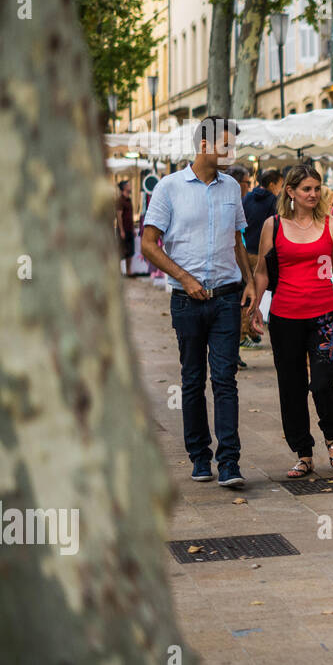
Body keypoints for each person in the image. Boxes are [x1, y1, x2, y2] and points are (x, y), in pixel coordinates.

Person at [141, 116, 256, 489]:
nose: (231, 152)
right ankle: (199, 457)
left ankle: (229, 462)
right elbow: (148, 243)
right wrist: (185, 279)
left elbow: (237, 240)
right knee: (192, 380)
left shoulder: (232, 190)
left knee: (225, 379)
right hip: (187, 301)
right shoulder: (169, 188)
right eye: (226, 144)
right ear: (205, 145)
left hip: (225, 297)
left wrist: (250, 282)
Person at [249, 166, 333, 478]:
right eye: (306, 188)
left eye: (316, 188)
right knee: (291, 386)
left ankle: (332, 436)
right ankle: (304, 453)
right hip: (284, 317)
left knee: (324, 381)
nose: (313, 194)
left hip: (324, 316)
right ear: (291, 192)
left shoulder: (331, 224)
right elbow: (261, 271)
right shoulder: (274, 225)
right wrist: (255, 305)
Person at [241, 168, 283, 348]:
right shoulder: (274, 202)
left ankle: (247, 331)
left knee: (247, 292)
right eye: (280, 185)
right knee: (264, 293)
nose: (280, 189)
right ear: (272, 184)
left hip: (246, 250)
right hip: (264, 253)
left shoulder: (248, 197)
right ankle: (248, 331)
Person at [116, 180, 136, 276]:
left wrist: (132, 229)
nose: (130, 186)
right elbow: (119, 216)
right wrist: (121, 230)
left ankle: (128, 271)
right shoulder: (120, 200)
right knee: (121, 250)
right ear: (124, 187)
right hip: (123, 229)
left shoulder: (129, 199)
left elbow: (130, 216)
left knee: (130, 251)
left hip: (129, 229)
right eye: (128, 185)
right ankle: (119, 271)